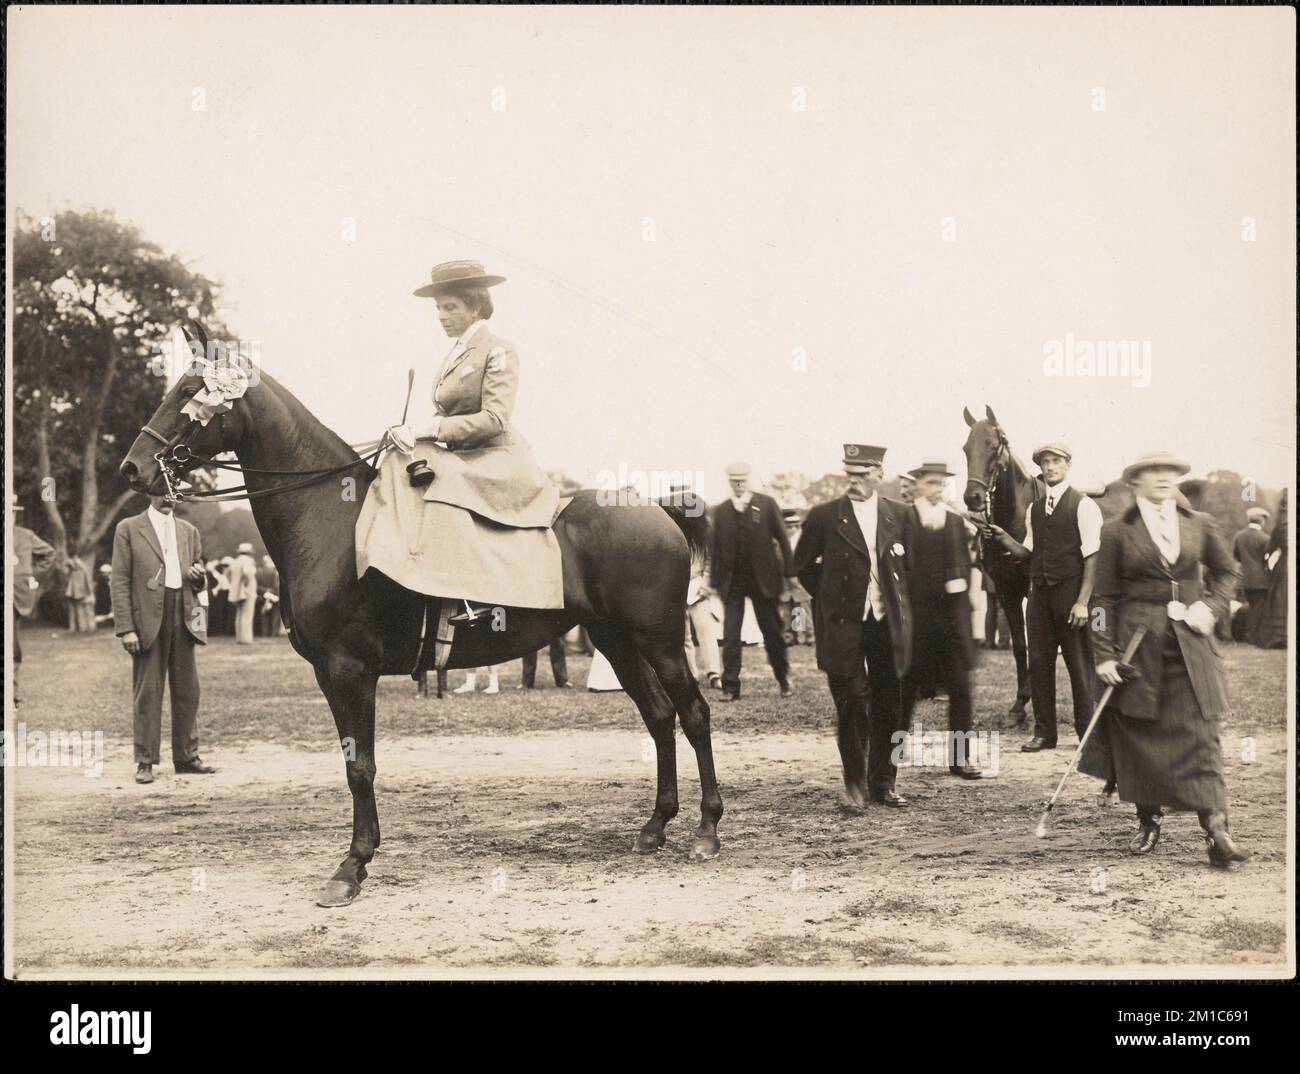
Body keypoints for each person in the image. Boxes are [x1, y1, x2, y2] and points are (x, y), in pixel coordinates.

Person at [355, 260, 563, 639]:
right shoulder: (456, 352)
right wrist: (410, 432)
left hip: (497, 456)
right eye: (438, 308)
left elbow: (495, 419)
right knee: (399, 464)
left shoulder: (499, 350)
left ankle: (474, 595)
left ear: (475, 306)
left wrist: (430, 428)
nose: (441, 316)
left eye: (449, 307)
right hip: (462, 453)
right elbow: (444, 413)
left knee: (442, 482)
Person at [1078, 453, 1247, 867]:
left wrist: (1210, 607)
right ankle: (1148, 820)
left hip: (1191, 646)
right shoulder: (1117, 531)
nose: (1163, 479)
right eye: (1152, 472)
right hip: (1138, 648)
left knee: (1201, 734)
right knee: (1142, 734)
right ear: (1134, 482)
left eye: (1171, 473)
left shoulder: (1200, 524)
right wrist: (1103, 654)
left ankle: (1217, 828)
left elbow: (1228, 573)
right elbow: (1102, 599)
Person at [792, 444, 914, 808]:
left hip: (887, 623)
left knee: (892, 703)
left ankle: (884, 782)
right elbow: (802, 567)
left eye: (862, 475)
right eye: (850, 474)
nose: (855, 481)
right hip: (842, 624)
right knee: (853, 701)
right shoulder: (824, 516)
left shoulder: (901, 515)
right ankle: (855, 784)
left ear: (879, 474)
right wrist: (832, 597)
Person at [980, 442, 1102, 752]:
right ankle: (1045, 733)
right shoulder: (1035, 509)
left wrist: (1082, 602)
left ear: (1067, 464)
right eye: (1045, 462)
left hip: (1070, 595)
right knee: (1039, 663)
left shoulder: (1084, 505)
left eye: (1056, 461)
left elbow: (1092, 558)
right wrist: (1003, 537)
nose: (1050, 467)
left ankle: (1087, 733)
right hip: (1040, 599)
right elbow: (1028, 552)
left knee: (1079, 665)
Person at [111, 494, 215, 784]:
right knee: (148, 692)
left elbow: (200, 581)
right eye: (161, 490)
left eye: (173, 491)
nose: (168, 497)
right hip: (146, 620)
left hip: (183, 615)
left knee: (188, 691)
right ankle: (145, 760)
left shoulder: (189, 531)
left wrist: (199, 578)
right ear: (148, 491)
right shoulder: (129, 528)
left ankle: (187, 757)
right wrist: (126, 628)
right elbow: (119, 581)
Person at [900, 460, 982, 779]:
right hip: (915, 623)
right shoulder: (904, 518)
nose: (936, 489)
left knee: (961, 688)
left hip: (950, 623)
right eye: (931, 483)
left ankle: (960, 759)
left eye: (941, 484)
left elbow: (962, 566)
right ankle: (896, 749)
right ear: (918, 484)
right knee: (905, 690)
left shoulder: (954, 521)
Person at [708, 463, 793, 701]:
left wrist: (791, 573)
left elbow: (783, 540)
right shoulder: (722, 511)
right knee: (731, 634)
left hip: (763, 580)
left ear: (749, 480)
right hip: (733, 580)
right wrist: (713, 581)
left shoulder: (766, 504)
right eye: (734, 481)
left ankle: (783, 678)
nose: (738, 484)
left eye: (741, 480)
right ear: (729, 482)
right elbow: (715, 549)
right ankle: (730, 687)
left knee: (772, 632)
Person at [10, 495, 57, 704]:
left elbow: (49, 554)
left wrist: (31, 575)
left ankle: (11, 694)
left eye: (12, 512)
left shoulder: (25, 535)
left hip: (15, 596)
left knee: (11, 644)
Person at [1232, 507, 1271, 645]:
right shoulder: (1265, 538)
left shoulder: (1239, 536)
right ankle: (1252, 637)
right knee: (1258, 610)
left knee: (1250, 606)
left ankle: (1248, 635)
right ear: (1261, 520)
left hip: (1245, 579)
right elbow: (1269, 560)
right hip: (1262, 580)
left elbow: (1236, 556)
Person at [1255, 490, 1287, 650]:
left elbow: (1270, 548)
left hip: (1286, 565)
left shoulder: (1281, 525)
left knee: (1280, 599)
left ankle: (1280, 638)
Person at [227, 542, 258, 644]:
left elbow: (228, 575)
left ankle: (239, 637)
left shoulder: (235, 562)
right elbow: (246, 573)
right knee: (247, 614)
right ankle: (246, 638)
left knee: (239, 614)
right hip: (246, 590)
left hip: (235, 591)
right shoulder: (248, 561)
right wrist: (246, 586)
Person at [64, 548, 96, 632]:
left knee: (84, 610)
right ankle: (82, 627)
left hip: (80, 592)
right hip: (77, 592)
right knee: (80, 610)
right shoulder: (76, 571)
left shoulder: (78, 570)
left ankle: (86, 627)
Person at [255, 554, 281, 637]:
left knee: (264, 615)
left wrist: (265, 591)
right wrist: (274, 593)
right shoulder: (275, 572)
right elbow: (276, 586)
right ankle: (273, 633)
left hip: (263, 596)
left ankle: (264, 633)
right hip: (274, 596)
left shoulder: (258, 572)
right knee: (275, 615)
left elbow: (256, 585)